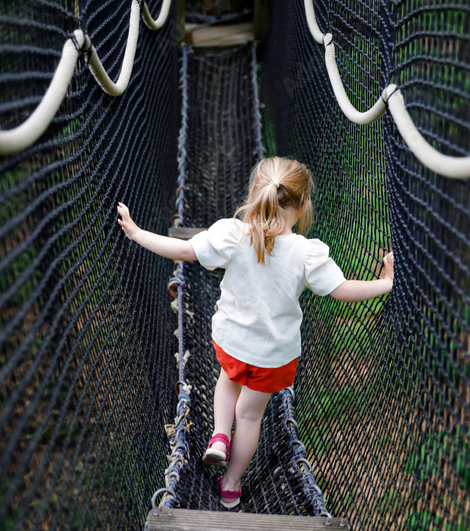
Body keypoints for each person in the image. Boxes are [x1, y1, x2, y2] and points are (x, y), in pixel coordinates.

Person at [116, 157, 394, 509]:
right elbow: (341, 289)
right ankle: (231, 485)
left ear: (255, 193)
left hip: (232, 344)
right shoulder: (307, 254)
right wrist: (383, 283)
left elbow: (185, 251)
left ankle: (218, 436)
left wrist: (137, 233)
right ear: (303, 205)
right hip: (273, 358)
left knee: (226, 381)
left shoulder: (234, 235)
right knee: (249, 416)